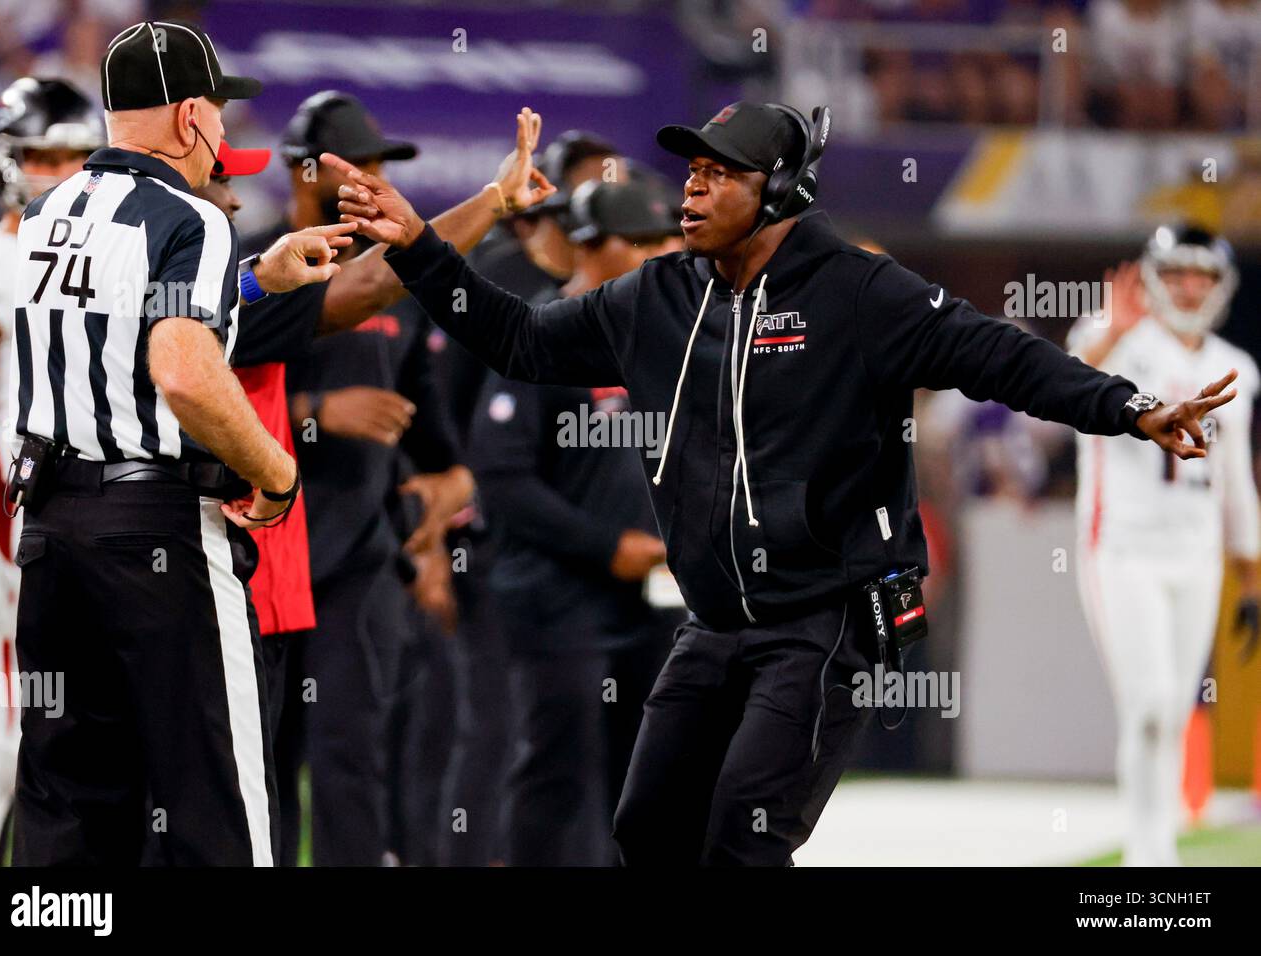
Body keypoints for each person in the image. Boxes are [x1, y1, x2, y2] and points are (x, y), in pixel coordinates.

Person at [326, 99, 1238, 865]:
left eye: (718, 172)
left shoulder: (858, 294)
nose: (691, 185)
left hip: (827, 618)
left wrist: (1127, 405)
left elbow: (992, 353)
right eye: (690, 170)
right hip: (716, 621)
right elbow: (518, 338)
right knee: (648, 831)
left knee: (742, 840)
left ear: (778, 193)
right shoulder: (659, 297)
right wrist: (416, 246)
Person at [8, 20, 354, 866]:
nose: (224, 136)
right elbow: (184, 369)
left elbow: (124, 310)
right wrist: (275, 472)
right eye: (221, 118)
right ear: (194, 114)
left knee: (69, 810)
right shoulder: (190, 217)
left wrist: (251, 279)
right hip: (157, 535)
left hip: (53, 532)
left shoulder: (50, 213)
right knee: (217, 810)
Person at [236, 91, 554, 866]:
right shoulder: (257, 265)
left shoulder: (401, 297)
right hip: (263, 557)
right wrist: (318, 409)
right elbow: (205, 382)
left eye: (379, 163)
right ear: (301, 169)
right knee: (261, 769)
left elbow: (437, 441)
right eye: (358, 161)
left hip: (358, 558)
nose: (373, 175)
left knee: (353, 759)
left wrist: (446, 492)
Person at [470, 172, 685, 865]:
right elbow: (502, 479)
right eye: (646, 240)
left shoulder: (662, 341)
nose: (664, 253)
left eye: (667, 239)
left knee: (647, 782)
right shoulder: (540, 337)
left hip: (649, 603)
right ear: (592, 246)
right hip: (556, 601)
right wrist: (605, 547)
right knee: (554, 772)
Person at [1069, 224, 1260, 866]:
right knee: (1148, 705)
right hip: (1123, 546)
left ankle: (1160, 850)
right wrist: (1115, 334)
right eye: (1178, 271)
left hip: (1197, 556)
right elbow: (1064, 382)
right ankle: (1146, 854)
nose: (1189, 285)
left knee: (1174, 711)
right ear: (1154, 275)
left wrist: (1250, 574)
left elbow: (1235, 484)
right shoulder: (1116, 335)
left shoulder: (1235, 367)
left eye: (1202, 274)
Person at [0, 76, 103, 867]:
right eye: (44, 155)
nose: (58, 172)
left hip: (58, 532)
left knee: (45, 741)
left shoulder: (89, 263)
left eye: (75, 158)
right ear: (10, 157)